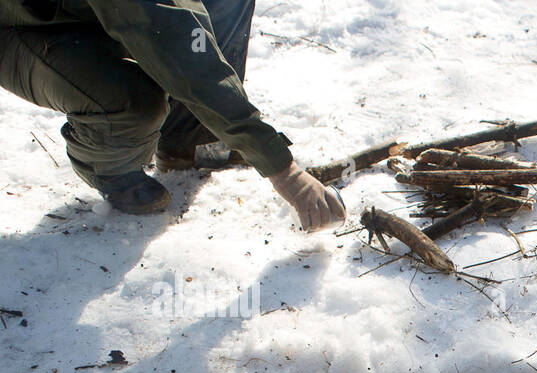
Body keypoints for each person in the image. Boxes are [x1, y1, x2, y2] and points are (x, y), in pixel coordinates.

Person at [0, 0, 344, 227]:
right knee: (132, 103)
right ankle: (111, 170)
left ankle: (191, 142)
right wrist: (285, 171)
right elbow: (184, 49)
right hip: (24, 26)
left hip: (91, 10)